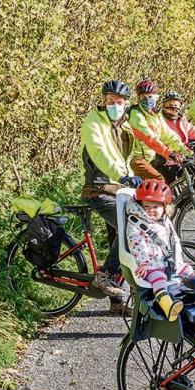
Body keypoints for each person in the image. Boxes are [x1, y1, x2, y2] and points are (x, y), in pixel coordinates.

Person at [79, 79, 140, 311]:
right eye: (110, 101)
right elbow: (99, 152)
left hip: (120, 190)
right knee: (129, 229)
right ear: (103, 102)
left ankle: (117, 303)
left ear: (126, 104)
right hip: (99, 189)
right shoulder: (94, 122)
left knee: (123, 242)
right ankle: (104, 275)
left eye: (120, 102)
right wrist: (122, 175)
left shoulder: (124, 125)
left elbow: (125, 159)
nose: (115, 105)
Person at [125, 179, 195, 321]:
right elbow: (137, 243)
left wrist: (178, 261)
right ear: (140, 207)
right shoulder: (137, 223)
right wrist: (143, 262)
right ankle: (166, 304)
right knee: (159, 278)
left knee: (187, 270)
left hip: (168, 263)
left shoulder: (164, 221)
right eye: (146, 207)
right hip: (151, 265)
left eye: (155, 206)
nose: (151, 210)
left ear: (164, 207)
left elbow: (173, 241)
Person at [128, 78, 192, 184]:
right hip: (136, 159)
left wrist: (187, 152)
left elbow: (168, 135)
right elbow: (150, 138)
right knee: (159, 181)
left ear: (156, 97)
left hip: (151, 159)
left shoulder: (155, 114)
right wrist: (170, 154)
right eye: (143, 97)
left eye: (150, 97)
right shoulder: (136, 114)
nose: (147, 100)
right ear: (138, 98)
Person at [161, 91, 195, 162]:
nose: (173, 107)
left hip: (184, 155)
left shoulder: (181, 121)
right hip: (168, 158)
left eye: (176, 105)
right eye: (170, 104)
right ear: (164, 106)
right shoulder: (160, 121)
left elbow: (193, 132)